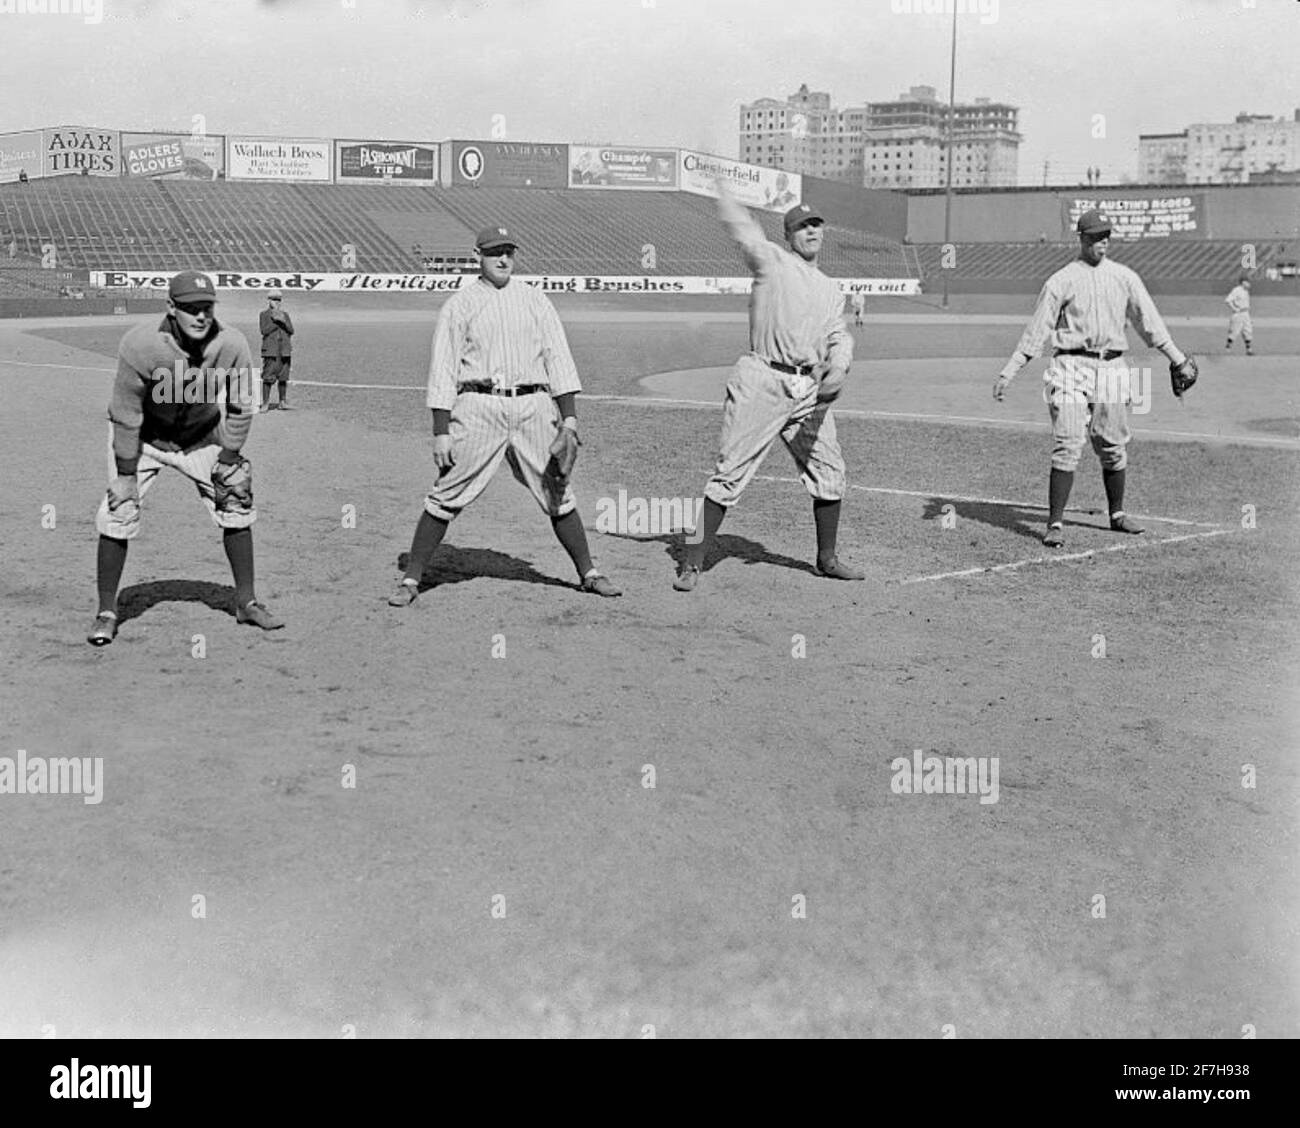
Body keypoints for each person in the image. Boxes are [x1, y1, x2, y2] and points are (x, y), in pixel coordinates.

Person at [387, 224, 621, 606]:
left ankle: (589, 573)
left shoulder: (535, 300)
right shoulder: (460, 304)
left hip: (533, 406)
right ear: (477, 256)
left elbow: (558, 359)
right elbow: (443, 369)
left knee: (558, 491)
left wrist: (570, 418)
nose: (503, 258)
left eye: (509, 251)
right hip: (479, 407)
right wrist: (441, 430)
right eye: (494, 251)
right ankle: (411, 579)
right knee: (447, 493)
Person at [673, 190, 862, 592]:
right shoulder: (773, 262)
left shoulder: (831, 288)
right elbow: (744, 232)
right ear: (789, 234)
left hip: (807, 388)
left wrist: (840, 365)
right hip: (762, 380)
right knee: (728, 475)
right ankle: (691, 561)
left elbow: (836, 334)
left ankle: (826, 559)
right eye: (802, 226)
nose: (811, 232)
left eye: (816, 226)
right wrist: (724, 195)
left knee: (831, 472)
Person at [87, 270, 284, 645]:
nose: (200, 317)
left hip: (200, 436)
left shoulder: (231, 343)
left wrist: (229, 455)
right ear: (170, 308)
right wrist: (126, 474)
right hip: (144, 438)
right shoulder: (141, 344)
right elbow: (126, 412)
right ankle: (107, 610)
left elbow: (241, 405)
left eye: (206, 308)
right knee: (118, 510)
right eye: (190, 309)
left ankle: (247, 601)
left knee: (236, 498)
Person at [993, 209, 1197, 549]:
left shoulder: (1125, 277)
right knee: (1068, 444)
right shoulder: (1060, 280)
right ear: (1082, 238)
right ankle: (1055, 522)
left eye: (1106, 236)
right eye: (1096, 237)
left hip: (1113, 368)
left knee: (1113, 446)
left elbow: (1150, 323)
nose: (1103, 242)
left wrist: (1177, 358)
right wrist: (1010, 370)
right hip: (1070, 367)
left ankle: (1117, 515)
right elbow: (1036, 331)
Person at [259, 289, 295, 410]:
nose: (277, 302)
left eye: (279, 300)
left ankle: (282, 401)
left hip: (284, 350)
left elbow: (291, 331)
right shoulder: (264, 314)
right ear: (269, 301)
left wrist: (283, 321)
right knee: (268, 377)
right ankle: (265, 403)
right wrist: (276, 322)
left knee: (283, 377)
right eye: (274, 300)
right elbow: (264, 331)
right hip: (271, 350)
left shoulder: (285, 315)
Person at [1224, 276, 1253, 355]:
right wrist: (1234, 308)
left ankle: (1249, 350)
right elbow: (1228, 300)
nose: (1249, 284)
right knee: (1234, 331)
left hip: (1246, 313)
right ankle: (1227, 348)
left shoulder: (1246, 291)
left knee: (1248, 331)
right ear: (1243, 282)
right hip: (1238, 313)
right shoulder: (1237, 290)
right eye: (1247, 282)